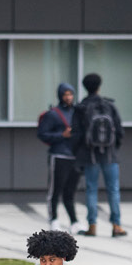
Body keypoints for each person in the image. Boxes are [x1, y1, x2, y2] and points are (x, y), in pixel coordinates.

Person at [73, 73, 128, 237]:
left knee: (91, 189)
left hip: (91, 156)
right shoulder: (109, 105)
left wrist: (79, 153)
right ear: (99, 86)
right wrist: (114, 147)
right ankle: (116, 225)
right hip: (110, 155)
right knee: (113, 189)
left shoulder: (82, 107)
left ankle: (92, 225)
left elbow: (76, 133)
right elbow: (119, 131)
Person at [38, 83, 80, 232]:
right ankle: (53, 219)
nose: (68, 97)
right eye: (65, 94)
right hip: (59, 155)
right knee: (55, 190)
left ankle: (74, 222)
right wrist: (62, 135)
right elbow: (42, 134)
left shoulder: (77, 112)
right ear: (60, 96)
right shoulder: (53, 114)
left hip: (74, 156)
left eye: (71, 94)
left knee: (70, 191)